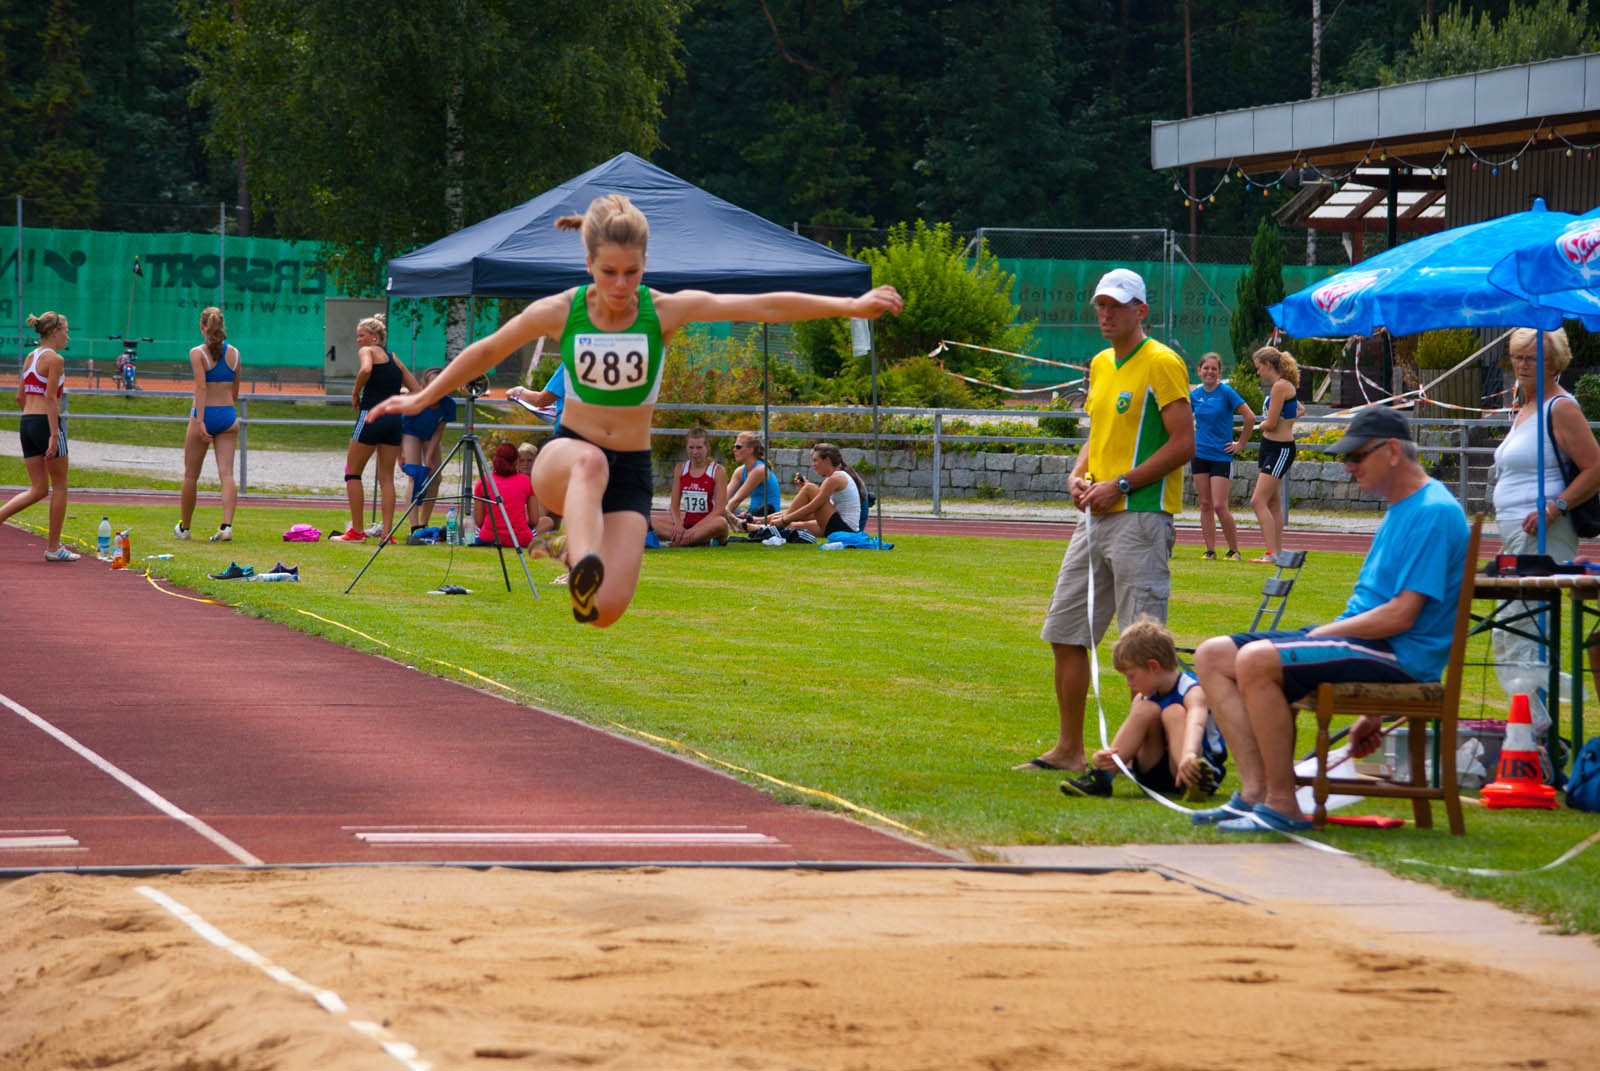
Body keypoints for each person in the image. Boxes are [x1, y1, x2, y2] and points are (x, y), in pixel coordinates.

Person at [370, 192, 903, 625]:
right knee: (589, 462)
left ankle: (564, 550)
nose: (621, 286)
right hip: (567, 457)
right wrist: (421, 396)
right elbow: (488, 349)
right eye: (608, 273)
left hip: (631, 470)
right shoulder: (561, 310)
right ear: (588, 264)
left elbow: (763, 304)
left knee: (604, 612)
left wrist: (849, 305)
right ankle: (579, 550)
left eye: (631, 272)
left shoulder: (664, 311)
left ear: (646, 263)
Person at [1190, 407, 1470, 833]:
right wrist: (1372, 710)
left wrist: (1326, 633)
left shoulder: (1433, 511)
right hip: (1372, 646)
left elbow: (1401, 614)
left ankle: (1282, 804)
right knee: (1211, 656)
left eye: (1356, 456)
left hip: (1398, 653)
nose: (1348, 466)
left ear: (1392, 450)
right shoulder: (1405, 506)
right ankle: (1253, 794)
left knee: (1255, 661)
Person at [1016, 268, 1194, 773]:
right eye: (1100, 305)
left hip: (1141, 519)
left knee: (1143, 647)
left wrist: (1121, 484)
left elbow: (1185, 443)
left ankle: (1152, 758)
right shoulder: (1099, 363)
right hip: (1094, 518)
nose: (1107, 313)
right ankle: (1070, 749)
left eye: (1117, 305)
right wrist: (1078, 476)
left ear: (1142, 310)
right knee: (1066, 631)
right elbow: (1097, 436)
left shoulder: (1162, 362)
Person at [1489, 327, 1600, 721]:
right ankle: (1534, 720)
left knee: (1521, 632)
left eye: (1531, 357)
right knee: (1510, 632)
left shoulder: (1560, 408)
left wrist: (1555, 507)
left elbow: (1595, 467)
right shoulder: (1525, 407)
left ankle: (1535, 732)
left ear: (1552, 362)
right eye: (1517, 356)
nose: (1522, 364)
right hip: (1517, 539)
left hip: (1544, 537)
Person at [1058, 618, 1226, 801]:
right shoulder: (1144, 698)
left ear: (1153, 666)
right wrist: (1104, 758)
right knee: (1144, 709)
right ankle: (1102, 777)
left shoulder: (1192, 690)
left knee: (1174, 712)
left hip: (1197, 766)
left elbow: (1197, 722)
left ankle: (1191, 782)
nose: (1129, 683)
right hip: (1153, 772)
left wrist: (1189, 755)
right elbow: (1131, 738)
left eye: (1131, 676)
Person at [0, 311, 78, 561]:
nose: (68, 335)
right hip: (45, 423)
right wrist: (54, 434)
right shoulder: (55, 359)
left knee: (38, 488)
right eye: (66, 331)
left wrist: (33, 422)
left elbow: (19, 397)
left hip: (27, 423)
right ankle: (54, 548)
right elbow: (51, 398)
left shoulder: (30, 357)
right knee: (61, 486)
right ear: (54, 332)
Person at [339, 314, 421, 542]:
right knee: (386, 479)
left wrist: (355, 393)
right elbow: (415, 388)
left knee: (352, 473)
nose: (358, 340)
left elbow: (365, 370)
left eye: (361, 336)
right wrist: (396, 396)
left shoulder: (368, 351)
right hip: (393, 420)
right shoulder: (394, 358)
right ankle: (387, 533)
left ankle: (357, 531)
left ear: (375, 337)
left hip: (370, 416)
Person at [175, 307, 242, 543]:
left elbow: (201, 388)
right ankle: (226, 526)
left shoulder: (197, 353)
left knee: (191, 476)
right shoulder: (234, 353)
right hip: (227, 413)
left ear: (202, 326)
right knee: (227, 475)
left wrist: (201, 420)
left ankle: (185, 527)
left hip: (204, 414)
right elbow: (235, 390)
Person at [1190, 351, 1254, 561]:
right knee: (1205, 504)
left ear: (1219, 372)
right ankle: (1210, 550)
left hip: (1221, 455)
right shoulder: (1194, 395)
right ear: (1199, 371)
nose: (1209, 372)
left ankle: (1234, 550)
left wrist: (1240, 444)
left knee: (1219, 504)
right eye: (1206, 368)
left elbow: (1250, 417)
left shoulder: (1226, 392)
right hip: (1199, 454)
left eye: (1213, 369)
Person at [1248, 345, 1300, 564]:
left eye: (1259, 368)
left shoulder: (1280, 386)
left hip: (1279, 450)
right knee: (1272, 503)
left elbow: (1270, 423)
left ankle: (1271, 553)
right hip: (1269, 448)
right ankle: (1276, 552)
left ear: (1268, 365)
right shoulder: (1282, 388)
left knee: (1257, 501)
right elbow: (1298, 409)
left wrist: (1257, 426)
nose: (1258, 372)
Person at [760, 442, 867, 541]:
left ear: (827, 460)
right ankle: (756, 524)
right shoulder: (837, 477)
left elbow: (812, 507)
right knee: (791, 526)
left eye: (815, 460)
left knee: (810, 488)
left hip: (845, 530)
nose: (813, 465)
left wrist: (783, 520)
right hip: (841, 526)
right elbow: (819, 505)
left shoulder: (835, 479)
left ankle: (764, 524)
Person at [401, 367, 457, 531]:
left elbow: (439, 431)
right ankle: (414, 526)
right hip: (411, 433)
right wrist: (401, 453)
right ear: (424, 385)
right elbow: (401, 426)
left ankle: (424, 523)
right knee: (415, 475)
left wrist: (429, 458)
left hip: (430, 435)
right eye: (433, 383)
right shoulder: (416, 401)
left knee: (435, 477)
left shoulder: (448, 404)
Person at [471, 440, 548, 546]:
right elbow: (534, 520)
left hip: (488, 537)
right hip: (521, 538)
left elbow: (479, 521)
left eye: (529, 460)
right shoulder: (526, 482)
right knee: (546, 522)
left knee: (469, 524)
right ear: (517, 461)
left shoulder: (483, 481)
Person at [665, 427, 730, 546]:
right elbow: (674, 506)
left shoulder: (718, 471)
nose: (695, 452)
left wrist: (694, 530)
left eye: (699, 447)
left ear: (707, 448)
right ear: (686, 448)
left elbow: (719, 510)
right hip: (686, 526)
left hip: (709, 525)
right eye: (691, 447)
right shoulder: (680, 469)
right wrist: (679, 526)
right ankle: (693, 540)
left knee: (721, 523)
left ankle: (678, 541)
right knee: (647, 520)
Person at [724, 431, 783, 529]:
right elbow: (724, 498)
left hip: (767, 513)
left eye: (738, 447)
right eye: (734, 446)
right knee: (721, 506)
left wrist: (720, 516)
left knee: (727, 511)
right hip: (751, 513)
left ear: (750, 450)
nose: (734, 449)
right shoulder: (739, 471)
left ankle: (738, 523)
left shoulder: (760, 470)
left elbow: (736, 500)